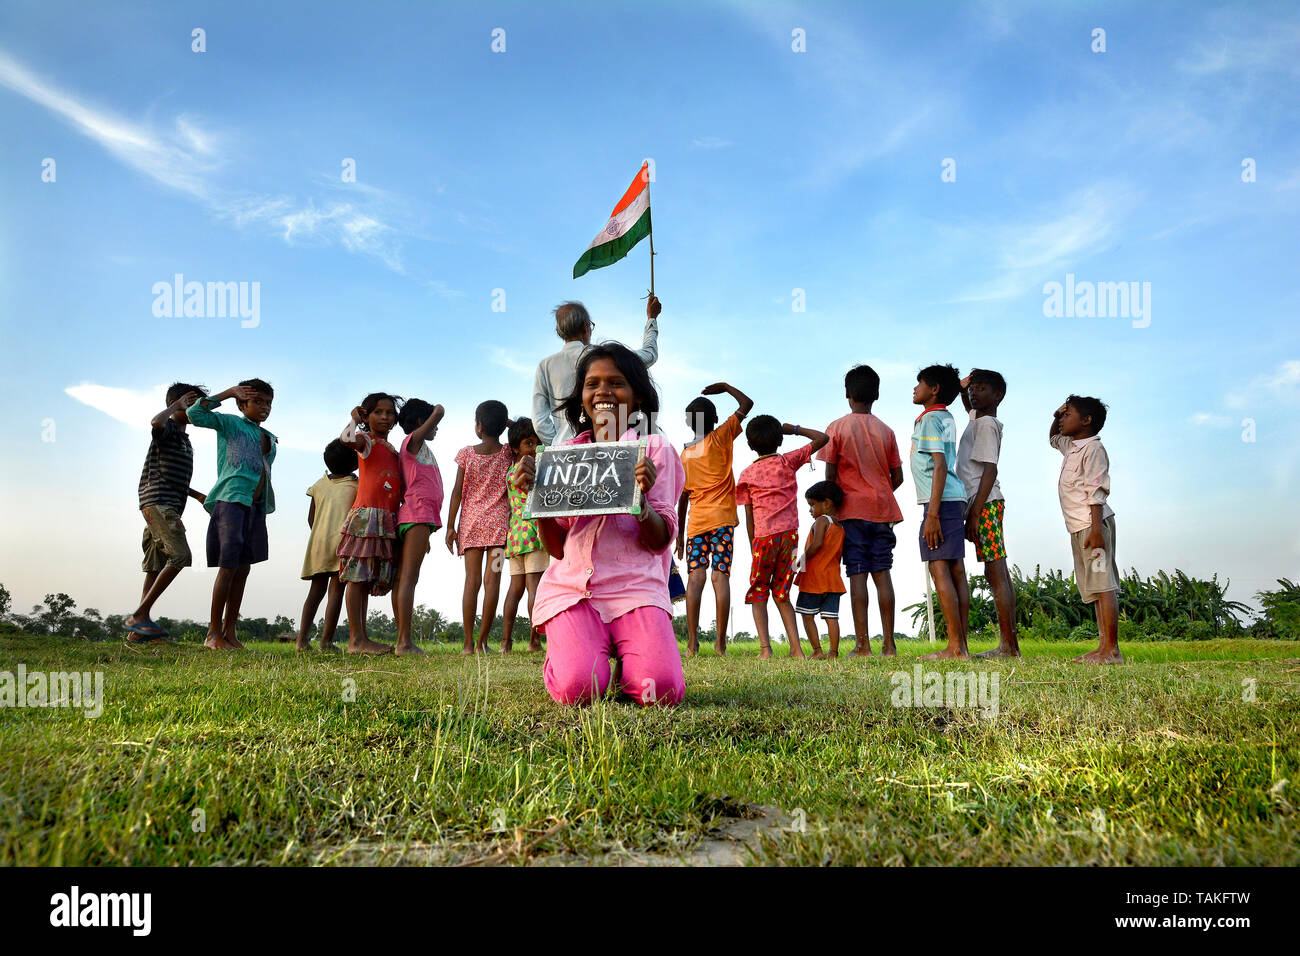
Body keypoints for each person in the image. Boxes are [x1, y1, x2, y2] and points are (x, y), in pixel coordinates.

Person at [513, 342, 686, 706]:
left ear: (637, 396)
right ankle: (571, 657)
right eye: (592, 384)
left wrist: (640, 504)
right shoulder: (561, 457)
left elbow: (659, 541)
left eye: (616, 383)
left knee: (662, 690)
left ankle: (631, 663)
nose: (603, 392)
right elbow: (557, 548)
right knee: (579, 689)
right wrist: (537, 501)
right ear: (581, 398)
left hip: (635, 590)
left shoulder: (654, 449)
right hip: (573, 590)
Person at [818, 365, 905, 657]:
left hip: (851, 513)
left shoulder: (837, 427)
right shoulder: (886, 431)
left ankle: (862, 644)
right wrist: (877, 492)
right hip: (882, 511)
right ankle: (889, 645)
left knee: (857, 574)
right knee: (883, 573)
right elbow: (898, 477)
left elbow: (830, 476)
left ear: (847, 393)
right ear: (876, 394)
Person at [187, 380, 277, 651]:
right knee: (228, 565)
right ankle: (213, 634)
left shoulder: (269, 437)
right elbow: (195, 415)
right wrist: (227, 393)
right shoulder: (230, 423)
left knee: (243, 567)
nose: (264, 407)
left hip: (256, 504)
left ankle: (230, 632)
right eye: (257, 401)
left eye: (268, 403)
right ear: (242, 404)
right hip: (231, 500)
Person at [735, 415, 829, 659]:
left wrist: (752, 544)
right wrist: (794, 429)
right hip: (791, 539)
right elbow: (823, 438)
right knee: (782, 593)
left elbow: (749, 516)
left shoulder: (746, 474)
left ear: (750, 445)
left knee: (758, 592)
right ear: (780, 439)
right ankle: (796, 649)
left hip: (764, 539)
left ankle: (765, 649)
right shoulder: (788, 461)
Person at [676, 382, 753, 656]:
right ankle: (720, 644)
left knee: (695, 578)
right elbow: (747, 405)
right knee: (720, 578)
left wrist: (679, 535)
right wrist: (726, 387)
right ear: (717, 420)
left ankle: (692, 644)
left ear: (688, 422)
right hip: (721, 520)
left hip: (696, 524)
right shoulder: (721, 437)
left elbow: (682, 498)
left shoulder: (685, 454)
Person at [126, 383, 208, 641]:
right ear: (181, 403)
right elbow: (155, 423)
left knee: (155, 565)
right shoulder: (169, 428)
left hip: (168, 504)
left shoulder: (184, 440)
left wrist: (197, 496)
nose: (199, 409)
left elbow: (175, 480)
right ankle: (139, 615)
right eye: (194, 404)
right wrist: (175, 406)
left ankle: (138, 634)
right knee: (181, 556)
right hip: (158, 504)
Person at [532, 296, 661, 446]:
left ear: (559, 331)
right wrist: (651, 318)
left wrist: (561, 442)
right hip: (606, 444)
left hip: (563, 455)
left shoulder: (545, 365)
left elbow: (540, 421)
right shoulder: (605, 358)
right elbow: (649, 355)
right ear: (585, 326)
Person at [1051, 395, 1121, 664]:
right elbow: (1053, 438)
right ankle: (1103, 646)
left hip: (1093, 525)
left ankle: (1111, 650)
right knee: (1093, 587)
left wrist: (1096, 531)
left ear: (1086, 421)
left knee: (1103, 585)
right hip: (1080, 527)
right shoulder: (1072, 446)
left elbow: (1096, 490)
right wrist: (1056, 414)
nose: (1062, 419)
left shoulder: (1093, 449)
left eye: (1068, 415)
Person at [957, 370, 1019, 658]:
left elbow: (989, 470)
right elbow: (969, 408)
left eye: (981, 388)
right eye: (973, 389)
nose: (974, 393)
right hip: (983, 503)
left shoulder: (986, 426)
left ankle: (1008, 646)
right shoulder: (978, 420)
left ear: (998, 396)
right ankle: (1009, 645)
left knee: (996, 572)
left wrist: (975, 513)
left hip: (985, 502)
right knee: (996, 571)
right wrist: (962, 387)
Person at [910, 364, 969, 660]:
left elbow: (940, 464)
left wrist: (932, 515)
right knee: (955, 567)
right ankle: (961, 645)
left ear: (933, 390)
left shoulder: (932, 419)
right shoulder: (943, 415)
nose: (914, 388)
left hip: (941, 502)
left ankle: (955, 647)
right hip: (951, 499)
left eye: (919, 383)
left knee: (939, 567)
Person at [337, 393, 404, 655]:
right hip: (367, 517)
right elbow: (345, 439)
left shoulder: (393, 449)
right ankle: (356, 639)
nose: (385, 417)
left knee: (368, 578)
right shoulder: (366, 441)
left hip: (386, 518)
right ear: (367, 415)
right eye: (378, 412)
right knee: (356, 576)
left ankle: (362, 638)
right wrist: (354, 420)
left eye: (389, 413)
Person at [446, 400, 513, 654]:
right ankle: (483, 643)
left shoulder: (466, 453)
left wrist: (451, 526)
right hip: (498, 527)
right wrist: (507, 424)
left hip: (471, 525)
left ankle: (467, 644)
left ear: (479, 426)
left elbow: (456, 494)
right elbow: (531, 433)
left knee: (471, 582)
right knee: (492, 582)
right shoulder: (508, 452)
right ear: (502, 426)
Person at [392, 398, 446, 655]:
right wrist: (434, 411)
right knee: (408, 579)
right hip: (417, 515)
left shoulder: (420, 448)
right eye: (430, 425)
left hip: (419, 518)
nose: (436, 428)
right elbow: (439, 413)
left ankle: (403, 639)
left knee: (404, 578)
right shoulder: (413, 443)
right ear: (419, 423)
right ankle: (404, 642)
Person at [295, 440, 359, 652]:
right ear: (355, 463)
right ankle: (325, 642)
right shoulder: (356, 485)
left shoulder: (318, 485)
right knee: (336, 592)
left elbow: (310, 519)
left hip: (317, 544)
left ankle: (301, 641)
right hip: (342, 542)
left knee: (315, 592)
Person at [501, 417, 545, 653]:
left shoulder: (510, 470)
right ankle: (533, 641)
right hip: (533, 532)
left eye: (538, 443)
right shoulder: (529, 468)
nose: (535, 448)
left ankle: (506, 642)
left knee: (514, 590)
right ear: (516, 448)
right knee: (535, 588)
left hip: (515, 535)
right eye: (529, 443)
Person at [794, 481, 847, 660]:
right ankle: (833, 652)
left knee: (807, 615)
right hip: (833, 579)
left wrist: (801, 559)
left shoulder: (821, 521)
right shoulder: (840, 527)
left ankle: (817, 650)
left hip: (814, 578)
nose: (810, 510)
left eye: (812, 505)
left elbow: (817, 544)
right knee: (831, 617)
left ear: (827, 503)